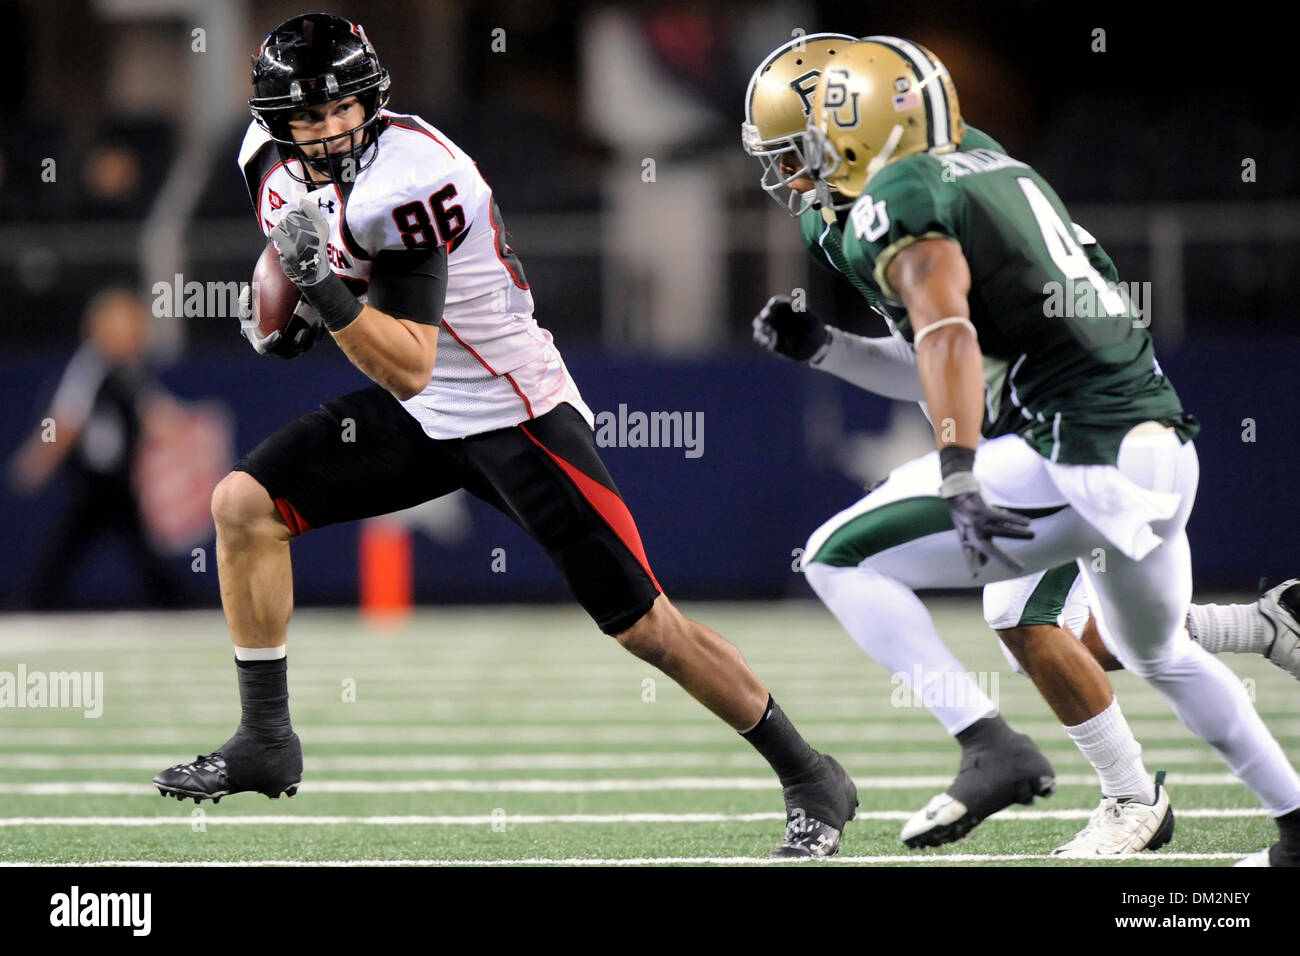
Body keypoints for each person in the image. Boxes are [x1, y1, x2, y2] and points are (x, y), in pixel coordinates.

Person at [152, 13, 858, 858]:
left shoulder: (413, 180)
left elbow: (409, 363)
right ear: (277, 123)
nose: (332, 128)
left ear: (372, 100)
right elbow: (336, 279)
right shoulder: (263, 162)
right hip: (427, 413)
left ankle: (811, 775)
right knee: (243, 506)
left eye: (345, 107)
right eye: (310, 115)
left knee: (648, 628)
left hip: (511, 411)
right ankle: (266, 739)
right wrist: (297, 306)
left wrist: (321, 293)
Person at [742, 33, 1300, 857]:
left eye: (805, 147)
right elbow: (944, 345)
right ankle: (1292, 811)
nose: (793, 174)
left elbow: (949, 340)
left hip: (1077, 446)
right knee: (1151, 651)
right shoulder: (978, 169)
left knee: (842, 558)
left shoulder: (900, 195)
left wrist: (958, 468)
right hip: (1156, 438)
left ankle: (1013, 753)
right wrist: (828, 349)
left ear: (858, 127)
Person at [7, 288, 190, 609]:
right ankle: (34, 600)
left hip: (118, 479)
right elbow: (65, 420)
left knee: (121, 542)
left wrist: (172, 430)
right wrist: (39, 458)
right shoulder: (88, 368)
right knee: (76, 542)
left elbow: (152, 409)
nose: (137, 337)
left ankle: (174, 598)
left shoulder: (128, 370)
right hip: (95, 479)